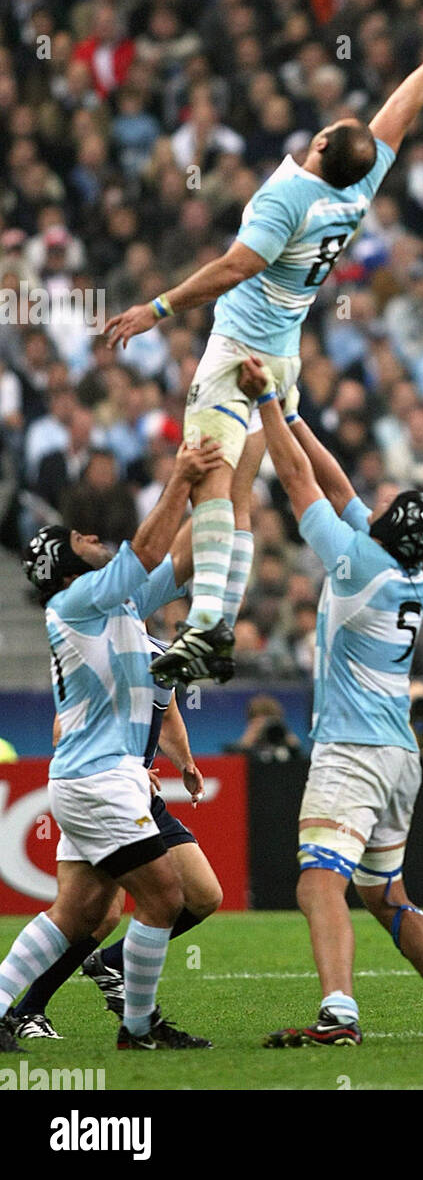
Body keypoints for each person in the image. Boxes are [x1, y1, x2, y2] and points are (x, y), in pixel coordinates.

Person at [104, 0, 423, 686]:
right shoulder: (357, 183)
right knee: (241, 493)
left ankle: (208, 626)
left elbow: (234, 267)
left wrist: (155, 308)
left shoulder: (291, 199)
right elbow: (398, 113)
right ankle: (213, 625)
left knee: (209, 481)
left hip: (239, 354)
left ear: (319, 145)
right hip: (283, 359)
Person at [238, 356, 423, 1046]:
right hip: (398, 755)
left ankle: (339, 1014)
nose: (372, 508)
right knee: (384, 892)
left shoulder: (359, 561)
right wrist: (296, 416)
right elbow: (337, 480)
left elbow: (299, 481)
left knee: (317, 879)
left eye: (384, 511)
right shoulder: (404, 570)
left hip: (352, 747)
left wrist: (266, 399)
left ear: (389, 527)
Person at [0, 438, 224, 1056]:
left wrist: (213, 491)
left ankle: (10, 1011)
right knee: (165, 898)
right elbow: (148, 548)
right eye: (81, 543)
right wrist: (178, 477)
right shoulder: (77, 602)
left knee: (77, 914)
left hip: (95, 777)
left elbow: (174, 561)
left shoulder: (112, 602)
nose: (95, 541)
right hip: (100, 778)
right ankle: (138, 1027)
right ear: (67, 572)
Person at [6, 685, 222, 1042]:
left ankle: (111, 972)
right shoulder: (109, 650)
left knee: (203, 896)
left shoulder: (154, 656)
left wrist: (185, 762)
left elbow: (166, 711)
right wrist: (124, 766)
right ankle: (34, 1009)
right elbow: (64, 730)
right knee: (103, 913)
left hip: (137, 796)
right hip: (108, 792)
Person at [223, 693, 304, 761]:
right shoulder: (245, 749)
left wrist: (291, 742)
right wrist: (246, 742)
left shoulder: (286, 748)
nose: (266, 727)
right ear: (251, 723)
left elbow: (302, 762)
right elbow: (229, 763)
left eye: (271, 722)